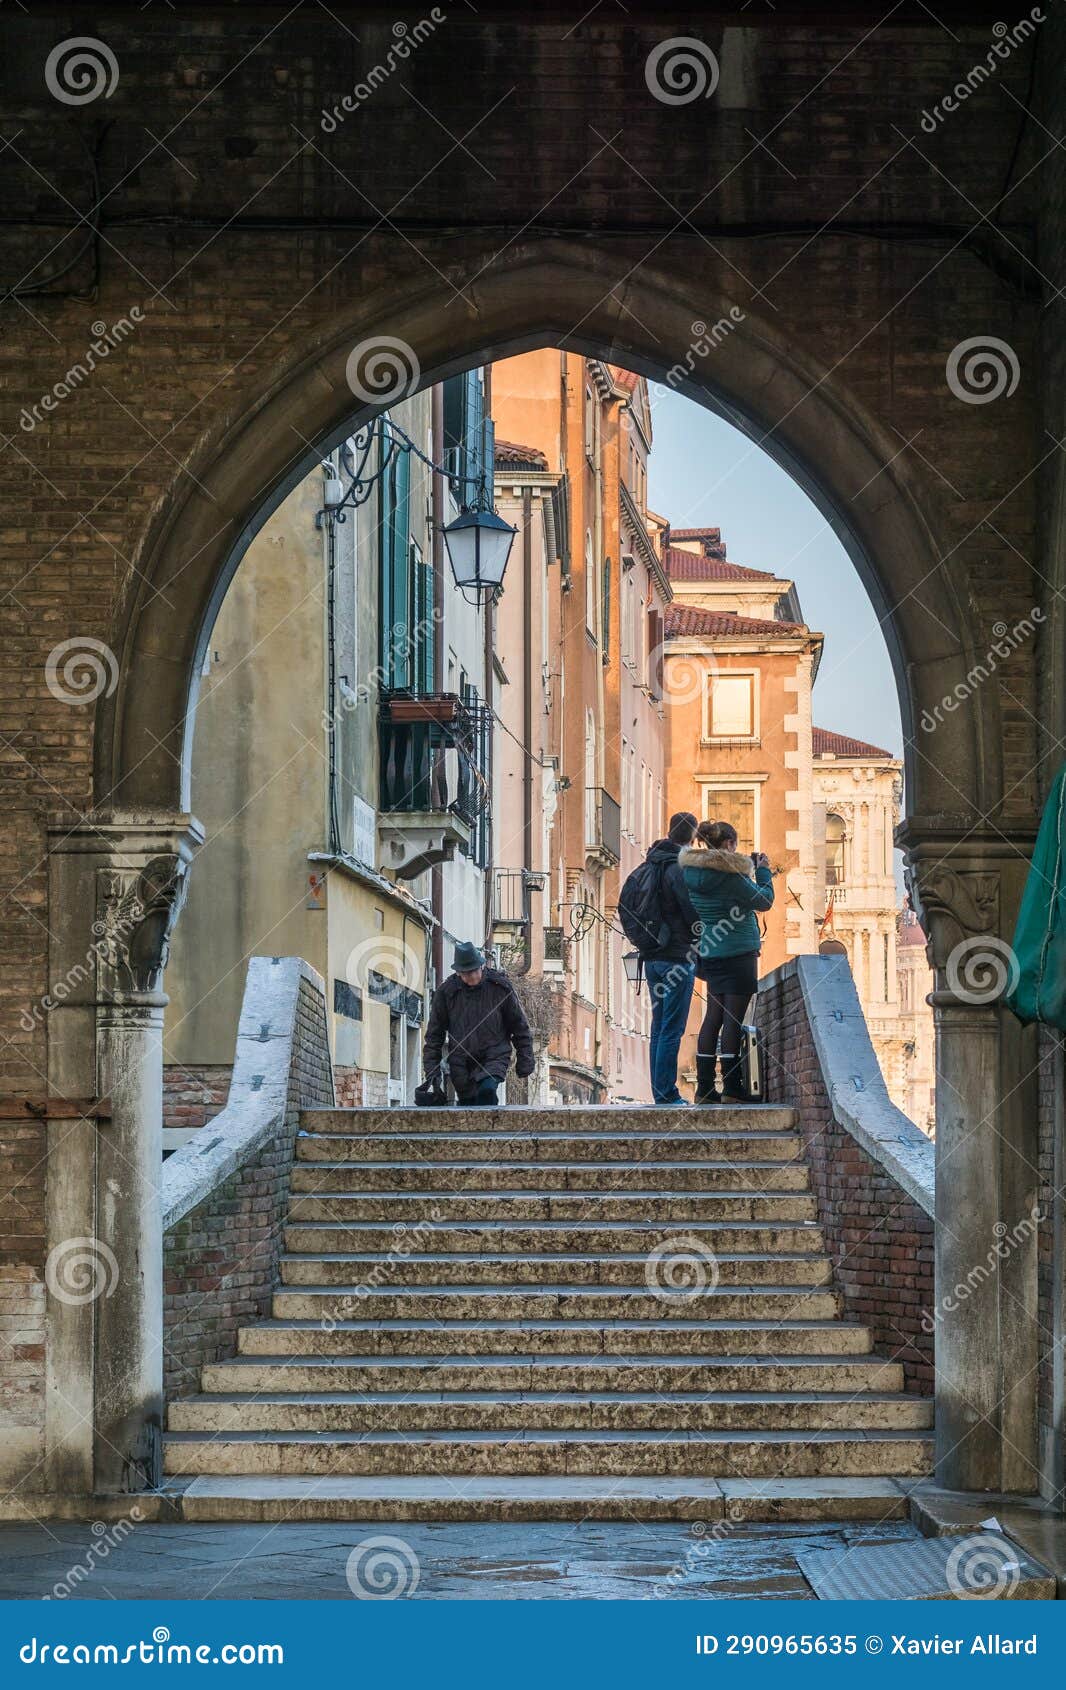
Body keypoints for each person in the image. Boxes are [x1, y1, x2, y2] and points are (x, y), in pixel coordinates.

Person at [680, 820, 774, 1104]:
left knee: (713, 1018)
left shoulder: (691, 873)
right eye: (735, 844)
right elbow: (764, 900)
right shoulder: (732, 876)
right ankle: (733, 1086)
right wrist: (763, 870)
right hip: (738, 952)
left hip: (711, 951)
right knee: (733, 1019)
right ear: (729, 844)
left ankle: (705, 1088)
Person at [636, 811, 702, 1107]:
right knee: (672, 1029)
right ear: (691, 836)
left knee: (659, 1026)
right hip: (677, 956)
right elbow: (691, 912)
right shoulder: (678, 868)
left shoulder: (651, 861)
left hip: (651, 958)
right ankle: (666, 1094)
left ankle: (659, 1091)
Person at [422, 942, 535, 1106]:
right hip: (461, 1061)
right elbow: (434, 1035)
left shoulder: (500, 988)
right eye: (466, 974)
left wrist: (526, 1059)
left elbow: (519, 1026)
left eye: (474, 971)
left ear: (481, 966)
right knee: (468, 1106)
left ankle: (492, 1128)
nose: (472, 977)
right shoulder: (447, 992)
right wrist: (432, 1071)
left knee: (487, 1091)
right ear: (458, 973)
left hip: (494, 1055)